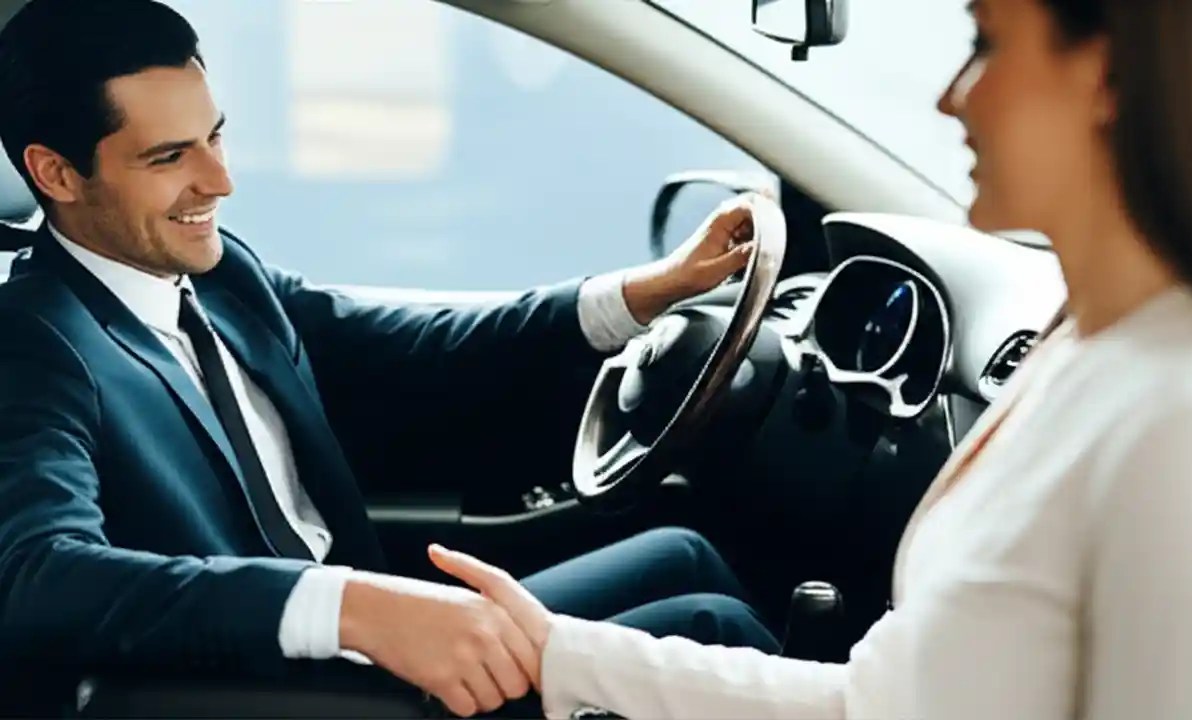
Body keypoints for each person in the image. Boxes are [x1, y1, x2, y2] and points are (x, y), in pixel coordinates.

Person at [430, 0, 1192, 717]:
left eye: (986, 44)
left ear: (1108, 76)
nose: (953, 100)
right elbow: (874, 703)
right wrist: (557, 653)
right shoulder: (1091, 353)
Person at [0, 0, 780, 714]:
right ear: (56, 173)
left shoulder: (220, 272)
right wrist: (355, 608)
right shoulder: (33, 343)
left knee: (684, 555)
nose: (221, 180)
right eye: (170, 157)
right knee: (707, 628)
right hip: (276, 688)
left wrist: (651, 291)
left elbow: (412, 346)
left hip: (368, 645)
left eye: (216, 136)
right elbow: (39, 576)